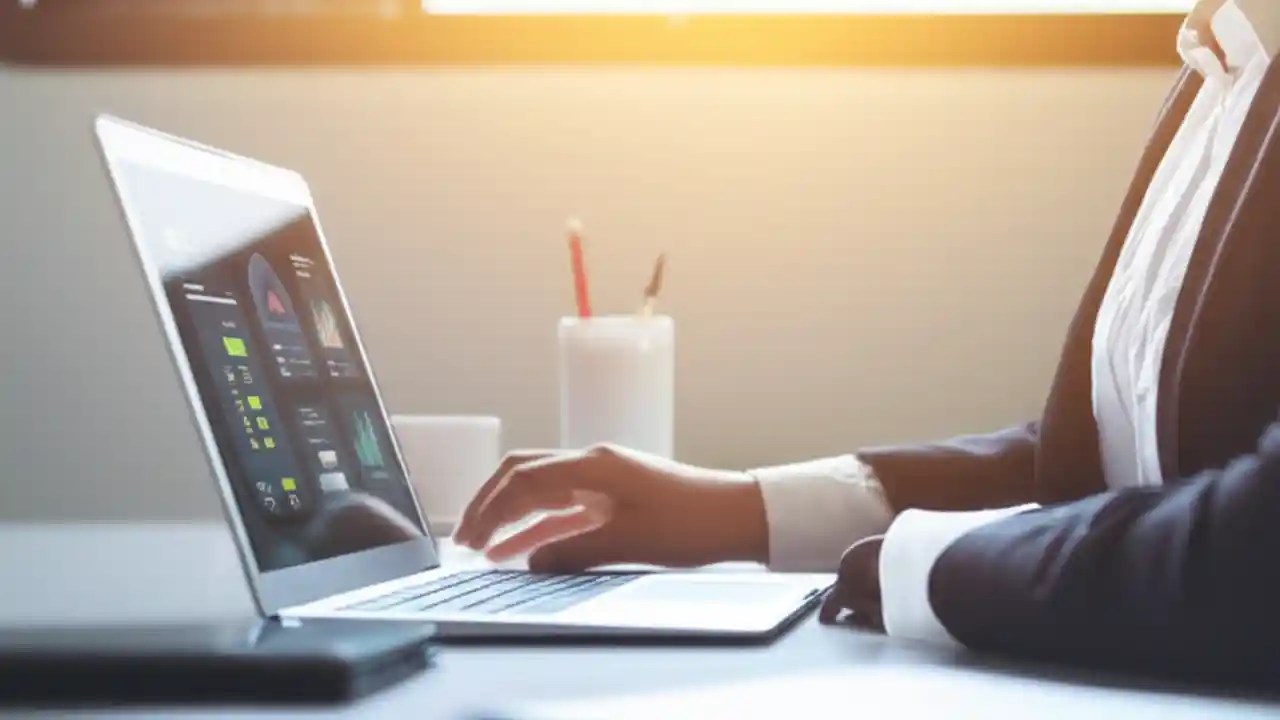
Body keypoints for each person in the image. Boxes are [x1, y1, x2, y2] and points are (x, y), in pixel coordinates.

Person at [454, 0, 1280, 683]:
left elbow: (1255, 543)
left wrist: (917, 562)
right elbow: (1102, 469)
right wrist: (742, 510)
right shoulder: (1225, 60)